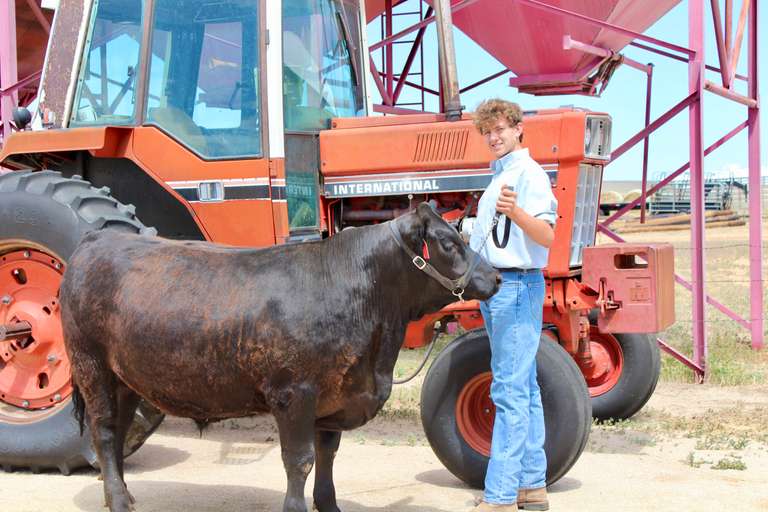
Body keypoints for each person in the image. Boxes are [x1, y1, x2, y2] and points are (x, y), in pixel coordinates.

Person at [469, 99, 558, 512]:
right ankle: (531, 485)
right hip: (499, 288)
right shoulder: (501, 175)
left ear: (519, 129)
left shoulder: (530, 175)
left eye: (501, 128)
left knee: (508, 390)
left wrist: (515, 211)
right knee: (524, 388)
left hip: (517, 287)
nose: (494, 136)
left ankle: (501, 496)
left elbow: (546, 236)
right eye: (488, 131)